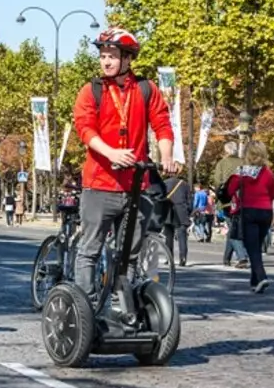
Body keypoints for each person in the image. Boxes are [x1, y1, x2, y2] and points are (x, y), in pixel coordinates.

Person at [72, 27, 175, 298]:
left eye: (112, 55)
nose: (105, 61)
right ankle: (86, 307)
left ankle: (123, 305)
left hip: (135, 187)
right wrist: (110, 153)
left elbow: (162, 125)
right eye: (103, 55)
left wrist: (167, 156)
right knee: (90, 250)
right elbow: (85, 130)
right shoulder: (91, 91)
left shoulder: (145, 90)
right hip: (99, 185)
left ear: (128, 59)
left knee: (130, 253)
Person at [226, 141, 274, 293]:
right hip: (266, 211)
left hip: (249, 210)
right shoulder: (268, 172)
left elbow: (230, 190)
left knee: (252, 248)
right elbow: (273, 192)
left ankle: (261, 277)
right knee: (257, 245)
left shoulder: (241, 172)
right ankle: (254, 282)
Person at [214, 142, 248, 267]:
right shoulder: (244, 163)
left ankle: (242, 257)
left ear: (227, 151)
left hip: (228, 201)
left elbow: (217, 181)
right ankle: (226, 258)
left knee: (233, 229)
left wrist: (219, 196)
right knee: (233, 227)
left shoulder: (222, 163)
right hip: (244, 200)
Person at [163, 170, 193, 267]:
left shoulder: (164, 183)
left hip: (167, 211)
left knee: (168, 237)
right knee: (182, 237)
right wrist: (188, 212)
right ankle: (183, 258)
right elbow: (189, 201)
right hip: (181, 212)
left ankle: (169, 258)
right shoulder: (185, 185)